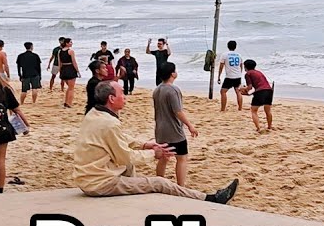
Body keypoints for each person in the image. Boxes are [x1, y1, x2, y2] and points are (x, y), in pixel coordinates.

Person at [72, 81, 238, 203]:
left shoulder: (94, 114)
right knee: (159, 182)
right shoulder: (109, 123)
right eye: (122, 93)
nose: (125, 96)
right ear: (111, 99)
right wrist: (155, 154)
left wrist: (145, 145)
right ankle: (211, 199)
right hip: (99, 183)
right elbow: (125, 157)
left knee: (131, 170)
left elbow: (119, 139)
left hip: (87, 178)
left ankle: (134, 196)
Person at [152, 62, 198, 187]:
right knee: (182, 158)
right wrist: (190, 125)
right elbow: (178, 111)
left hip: (160, 130)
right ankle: (181, 186)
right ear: (172, 74)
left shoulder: (157, 90)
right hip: (174, 131)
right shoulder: (173, 90)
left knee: (164, 158)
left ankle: (159, 182)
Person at [0, 63, 29, 194]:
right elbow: (17, 110)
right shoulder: (4, 90)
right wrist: (25, 126)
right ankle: (0, 191)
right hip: (2, 130)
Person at [240, 59, 275, 133]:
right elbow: (261, 85)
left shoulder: (248, 74)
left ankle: (258, 128)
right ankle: (269, 126)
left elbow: (250, 87)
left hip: (260, 91)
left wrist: (243, 89)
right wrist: (248, 93)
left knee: (254, 110)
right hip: (269, 91)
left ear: (245, 67)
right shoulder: (259, 72)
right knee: (268, 110)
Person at [217, 40, 243, 112]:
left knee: (223, 92)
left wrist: (219, 76)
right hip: (237, 76)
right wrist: (239, 73)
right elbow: (241, 66)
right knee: (238, 92)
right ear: (235, 47)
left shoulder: (225, 55)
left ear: (228, 46)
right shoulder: (239, 55)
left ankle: (223, 109)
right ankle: (240, 108)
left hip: (229, 77)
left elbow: (221, 66)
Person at [58, 38, 79, 108]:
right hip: (70, 68)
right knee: (71, 88)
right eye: (70, 42)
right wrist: (77, 70)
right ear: (67, 43)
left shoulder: (59, 51)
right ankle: (69, 103)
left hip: (64, 69)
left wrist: (60, 71)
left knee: (69, 87)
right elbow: (74, 62)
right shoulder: (71, 51)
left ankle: (66, 102)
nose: (71, 43)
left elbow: (59, 63)